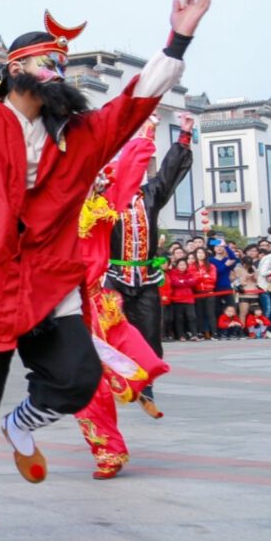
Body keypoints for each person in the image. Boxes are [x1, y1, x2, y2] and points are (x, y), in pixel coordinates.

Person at [0, 0, 209, 540]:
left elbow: (133, 103)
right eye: (47, 61)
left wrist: (177, 39)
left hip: (49, 277)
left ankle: (22, 425)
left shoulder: (80, 135)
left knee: (77, 379)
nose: (58, 70)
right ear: (16, 69)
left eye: (62, 63)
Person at [72, 128, 171, 478]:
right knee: (75, 384)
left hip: (95, 303)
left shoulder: (106, 205)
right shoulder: (49, 205)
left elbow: (130, 166)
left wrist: (146, 132)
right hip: (57, 306)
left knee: (100, 374)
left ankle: (108, 452)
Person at [105, 114, 194, 389]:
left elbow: (168, 172)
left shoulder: (150, 194)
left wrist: (184, 136)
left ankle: (146, 386)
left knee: (150, 333)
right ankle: (114, 380)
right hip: (113, 277)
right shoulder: (102, 197)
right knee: (112, 330)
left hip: (145, 278)